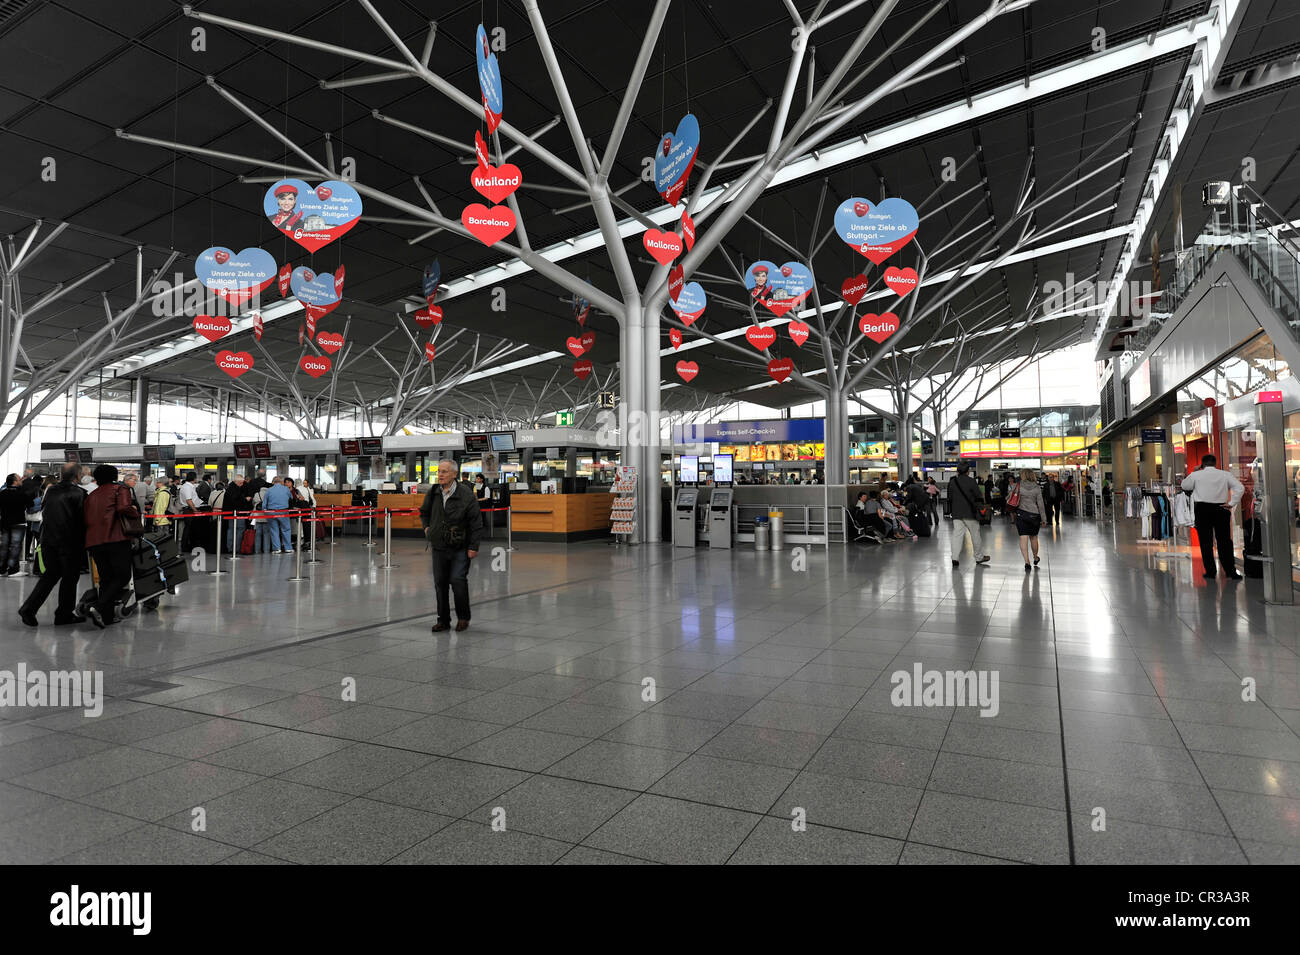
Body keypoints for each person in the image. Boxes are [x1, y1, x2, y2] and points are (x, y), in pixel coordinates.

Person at [18, 464, 87, 627]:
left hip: (49, 540)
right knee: (70, 579)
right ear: (77, 476)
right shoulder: (79, 493)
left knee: (50, 576)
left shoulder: (51, 491)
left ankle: (28, 608)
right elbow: (82, 520)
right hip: (69, 542)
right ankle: (64, 614)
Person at [419, 459, 482, 633]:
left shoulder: (466, 494)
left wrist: (473, 546)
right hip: (439, 546)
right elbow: (424, 512)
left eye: (444, 471)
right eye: (439, 471)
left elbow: (476, 522)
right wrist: (427, 528)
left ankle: (463, 618)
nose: (440, 474)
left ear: (454, 474)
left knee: (457, 580)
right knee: (440, 583)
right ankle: (443, 620)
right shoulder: (433, 492)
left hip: (460, 546)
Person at [82, 464, 140, 628]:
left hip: (95, 541)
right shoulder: (119, 489)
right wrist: (135, 511)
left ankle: (106, 617)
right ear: (114, 476)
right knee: (122, 576)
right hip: (116, 539)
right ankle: (98, 607)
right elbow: (123, 507)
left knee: (106, 578)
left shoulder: (91, 495)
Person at [1180, 454, 1245, 580]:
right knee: (1224, 541)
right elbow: (1240, 487)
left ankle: (1210, 572)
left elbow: (1185, 486)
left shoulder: (1196, 475)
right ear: (1215, 463)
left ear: (1202, 464)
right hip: (1221, 509)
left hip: (1202, 510)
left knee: (1206, 542)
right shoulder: (1225, 474)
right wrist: (1231, 503)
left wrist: (1194, 471)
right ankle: (1230, 571)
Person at [948, 463, 990, 568]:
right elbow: (978, 495)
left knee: (957, 535)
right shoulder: (971, 481)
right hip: (970, 513)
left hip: (956, 513)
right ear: (968, 471)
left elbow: (950, 498)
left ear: (957, 471)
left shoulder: (953, 482)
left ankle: (955, 558)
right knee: (975, 534)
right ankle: (979, 557)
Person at [1012, 468, 1049, 571]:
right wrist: (1044, 519)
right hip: (1034, 515)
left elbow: (1009, 498)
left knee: (1023, 538)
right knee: (1034, 538)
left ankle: (1027, 562)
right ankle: (1035, 557)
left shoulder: (1018, 486)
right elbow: (1040, 504)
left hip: (1021, 514)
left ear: (1023, 475)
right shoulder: (1037, 488)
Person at [0, 474, 29, 575]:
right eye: (19, 478)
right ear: (15, 482)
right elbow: (31, 504)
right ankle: (13, 570)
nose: (21, 480)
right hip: (19, 522)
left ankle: (2, 569)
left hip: (4, 523)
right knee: (15, 546)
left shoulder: (2, 493)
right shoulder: (21, 493)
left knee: (4, 546)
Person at [223, 472, 254, 553]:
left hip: (229, 513)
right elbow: (236, 500)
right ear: (236, 482)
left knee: (231, 530)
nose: (242, 484)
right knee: (240, 529)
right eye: (241, 483)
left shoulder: (229, 488)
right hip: (238, 512)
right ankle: (237, 548)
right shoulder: (235, 489)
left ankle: (230, 548)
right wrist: (245, 499)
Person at [262, 476, 293, 554]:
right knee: (286, 529)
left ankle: (277, 549)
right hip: (283, 512)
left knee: (274, 530)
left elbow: (264, 503)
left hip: (271, 512)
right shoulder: (286, 489)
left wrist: (265, 511)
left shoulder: (269, 490)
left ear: (273, 482)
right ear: (281, 482)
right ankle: (288, 548)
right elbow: (291, 497)